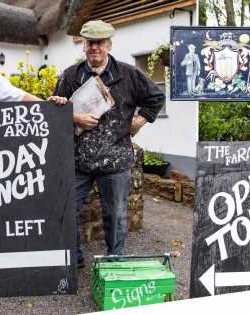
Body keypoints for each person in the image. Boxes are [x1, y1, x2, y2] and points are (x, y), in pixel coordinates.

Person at [53, 20, 165, 267]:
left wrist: (140, 120)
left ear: (109, 45)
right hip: (78, 160)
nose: (94, 48)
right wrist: (75, 116)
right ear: (84, 45)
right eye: (89, 43)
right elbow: (54, 110)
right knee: (64, 209)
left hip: (115, 159)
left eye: (99, 43)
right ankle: (77, 257)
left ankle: (114, 260)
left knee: (115, 216)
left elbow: (156, 97)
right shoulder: (71, 76)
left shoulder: (128, 74)